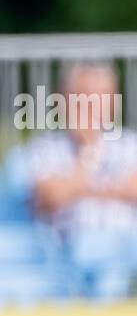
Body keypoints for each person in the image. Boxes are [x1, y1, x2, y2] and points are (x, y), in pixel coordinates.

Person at [24, 63, 137, 234]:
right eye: (84, 96)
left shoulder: (130, 143)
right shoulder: (45, 147)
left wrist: (78, 190)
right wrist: (89, 150)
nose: (93, 105)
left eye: (103, 96)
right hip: (67, 251)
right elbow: (52, 196)